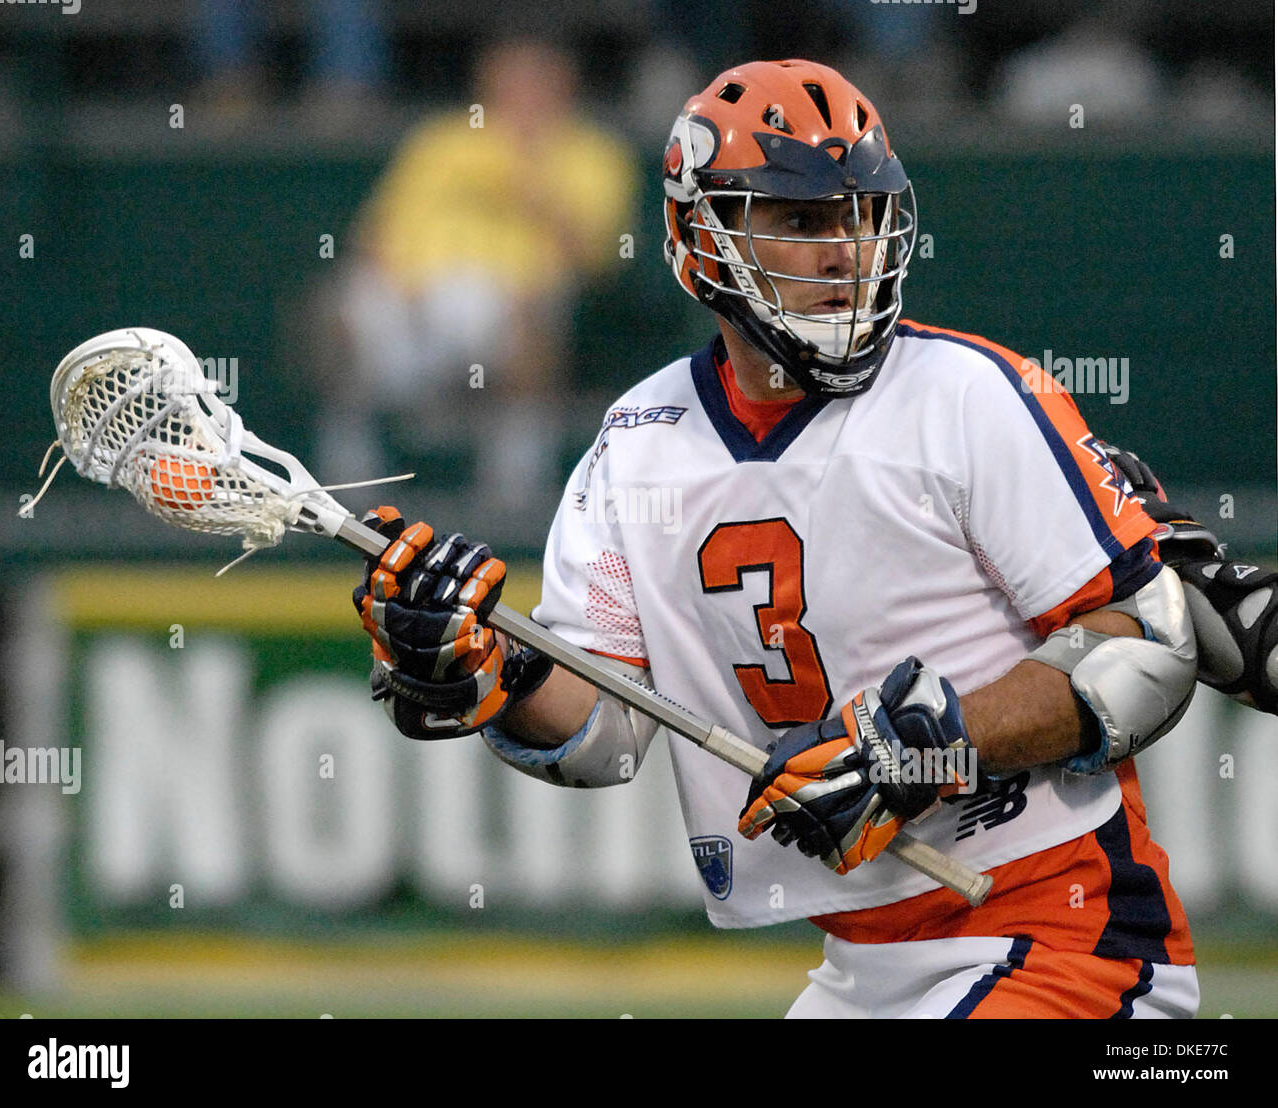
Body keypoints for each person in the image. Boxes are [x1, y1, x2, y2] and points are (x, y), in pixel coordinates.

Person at [350, 59, 1277, 1018]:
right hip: (859, 967)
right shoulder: (638, 440)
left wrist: (936, 744)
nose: (844, 250)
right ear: (700, 234)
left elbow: (1145, 648)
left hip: (1059, 940)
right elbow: (604, 729)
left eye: (858, 216)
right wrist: (489, 671)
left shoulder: (963, 396)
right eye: (800, 220)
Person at [317, 37, 635, 502]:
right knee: (338, 313)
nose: (523, 94)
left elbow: (596, 259)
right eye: (510, 82)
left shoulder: (593, 153)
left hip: (513, 307)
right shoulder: (441, 140)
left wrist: (533, 181)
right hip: (411, 301)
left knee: (527, 323)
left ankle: (512, 497)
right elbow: (373, 234)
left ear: (564, 87)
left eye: (536, 83)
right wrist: (393, 283)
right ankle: (346, 484)